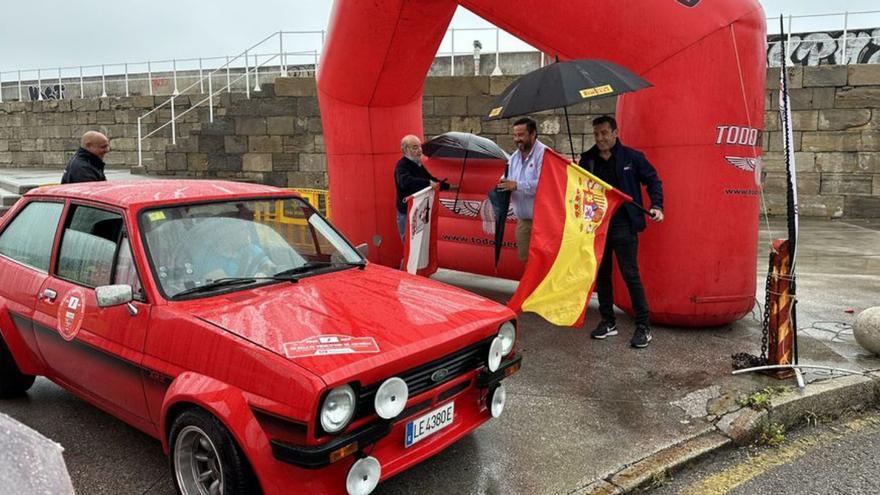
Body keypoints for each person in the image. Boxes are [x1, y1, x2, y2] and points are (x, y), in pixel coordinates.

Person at [579, 115, 664, 349]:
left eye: (605, 133)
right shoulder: (587, 159)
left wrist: (656, 206)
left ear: (615, 133)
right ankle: (608, 322)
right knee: (602, 276)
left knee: (630, 275)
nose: (600, 138)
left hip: (625, 225)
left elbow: (654, 181)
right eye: (596, 134)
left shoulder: (632, 158)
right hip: (598, 227)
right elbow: (578, 190)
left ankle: (643, 327)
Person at [497, 117, 546, 262]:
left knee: (542, 263)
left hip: (543, 222)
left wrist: (517, 185)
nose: (517, 139)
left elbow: (545, 184)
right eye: (515, 135)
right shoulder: (514, 158)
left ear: (533, 134)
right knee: (526, 261)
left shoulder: (544, 154)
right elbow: (507, 178)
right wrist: (502, 182)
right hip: (524, 222)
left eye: (521, 135)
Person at [393, 134, 451, 240]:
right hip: (407, 213)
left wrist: (448, 186)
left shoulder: (418, 164)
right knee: (409, 244)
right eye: (415, 147)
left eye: (420, 146)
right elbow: (405, 182)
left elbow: (430, 179)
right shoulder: (402, 166)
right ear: (405, 150)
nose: (419, 150)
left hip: (420, 211)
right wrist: (428, 183)